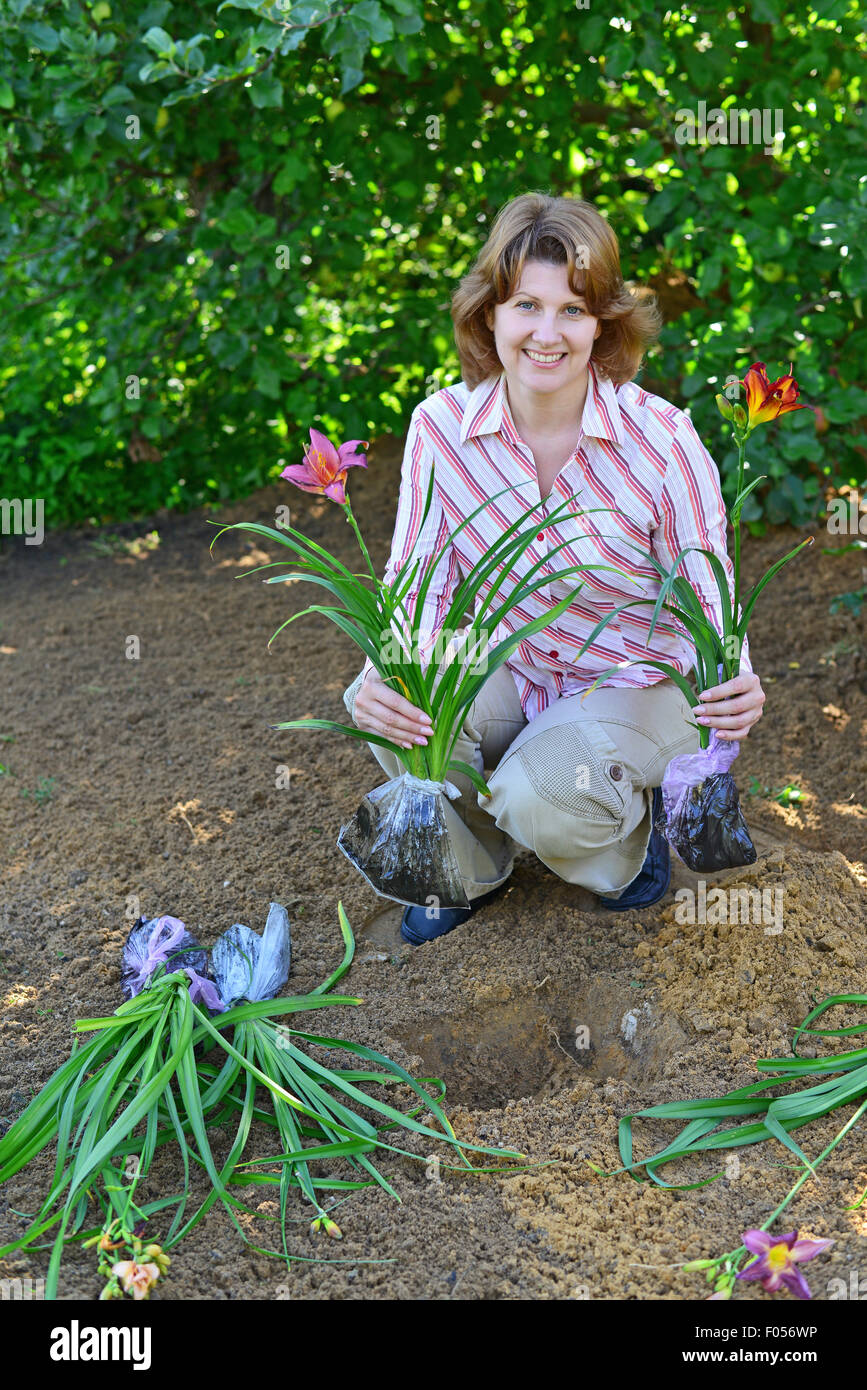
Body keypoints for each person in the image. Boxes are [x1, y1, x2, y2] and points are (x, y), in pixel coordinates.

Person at [342, 192, 766, 945]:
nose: (546, 333)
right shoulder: (441, 427)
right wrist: (384, 670)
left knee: (539, 794)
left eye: (572, 310)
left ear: (603, 321)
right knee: (396, 690)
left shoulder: (660, 439)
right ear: (489, 315)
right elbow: (415, 583)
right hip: (524, 666)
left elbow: (711, 588)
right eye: (525, 306)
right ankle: (470, 866)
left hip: (639, 682)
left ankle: (626, 854)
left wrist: (736, 676)